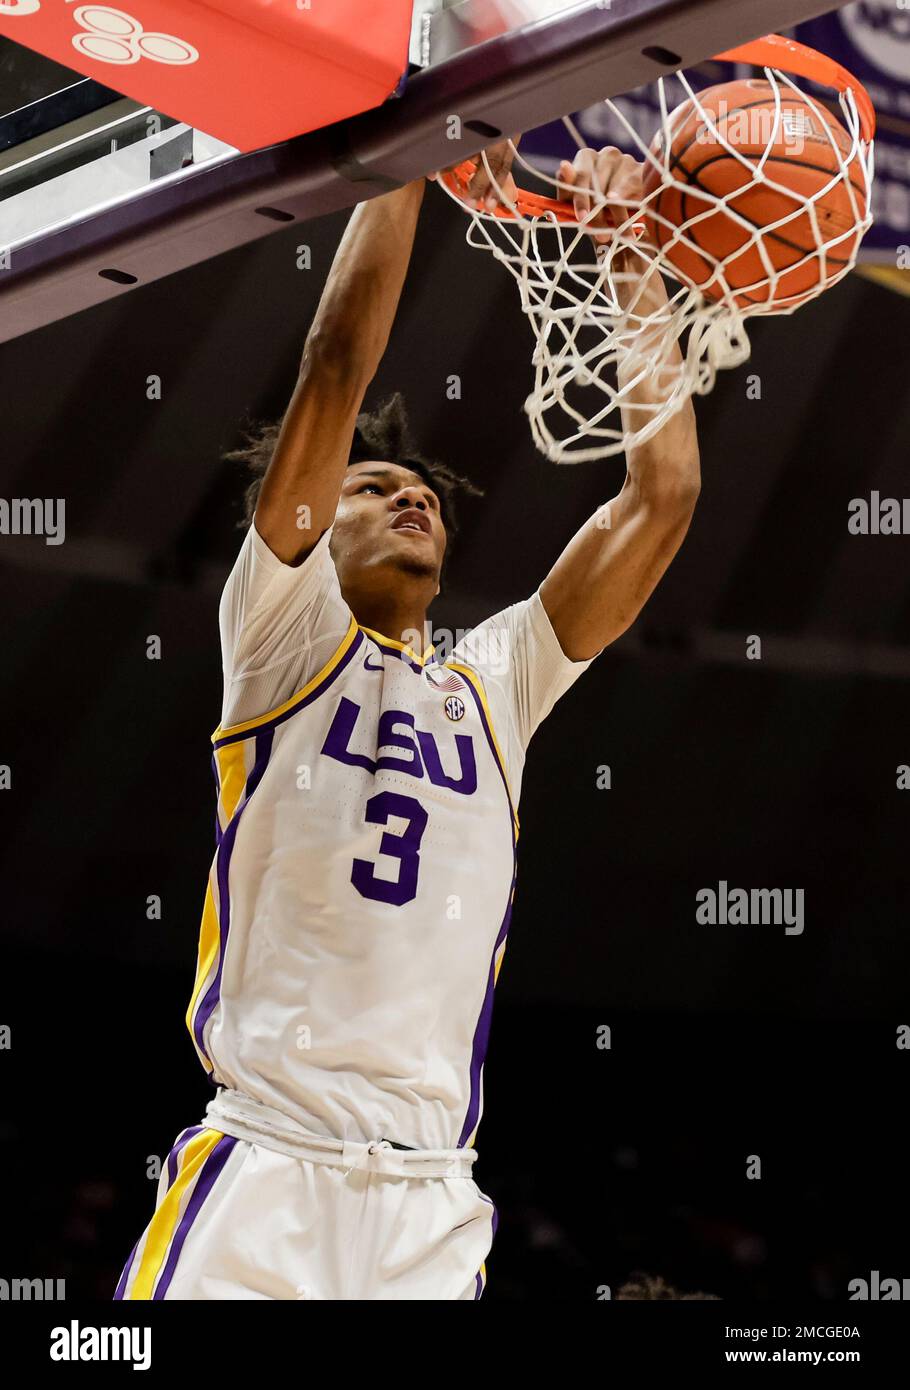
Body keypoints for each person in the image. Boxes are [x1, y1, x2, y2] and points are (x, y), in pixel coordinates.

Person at [115, 144, 700, 1301]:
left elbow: (661, 497)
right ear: (306, 528)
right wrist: (413, 149)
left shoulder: (496, 681)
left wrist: (633, 256)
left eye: (417, 487)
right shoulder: (281, 633)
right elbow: (335, 364)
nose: (410, 493)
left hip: (432, 1203)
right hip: (268, 1167)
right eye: (372, 488)